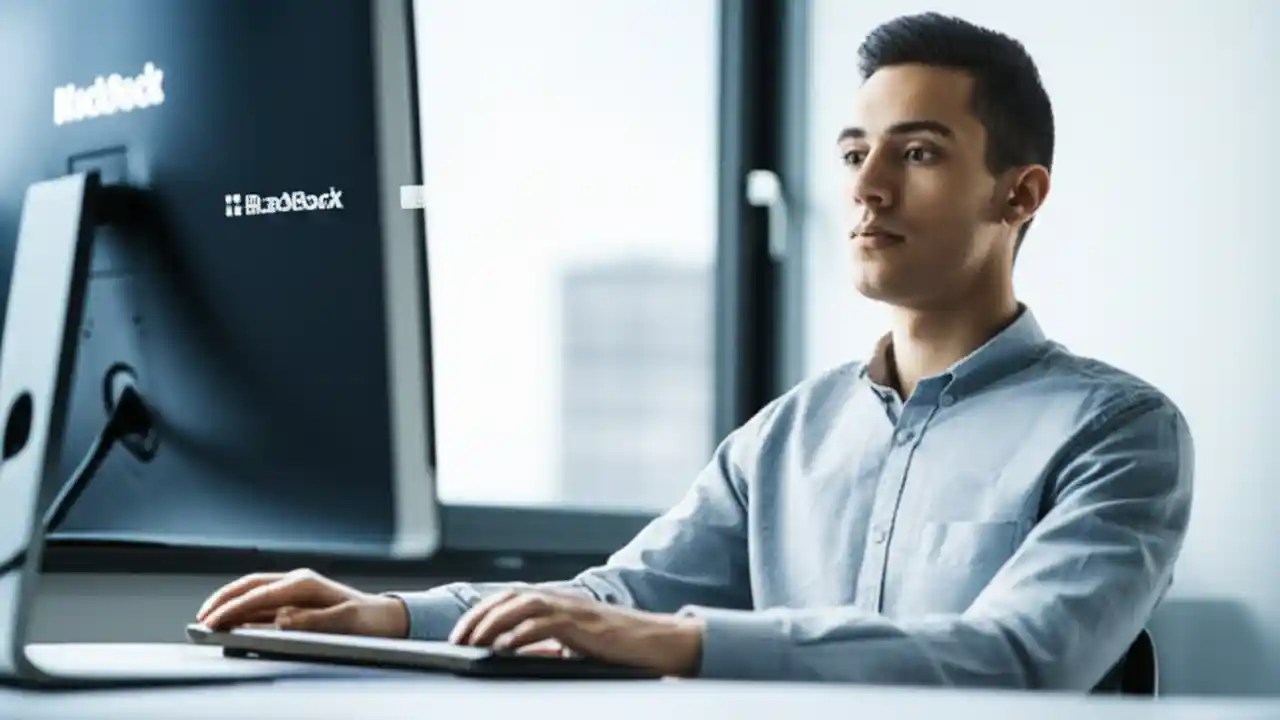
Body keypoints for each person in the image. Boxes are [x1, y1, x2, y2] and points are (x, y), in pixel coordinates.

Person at [195, 12, 1193, 690]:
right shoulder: (781, 439)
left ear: (1017, 195)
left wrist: (679, 642)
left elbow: (1019, 657)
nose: (865, 189)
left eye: (917, 153)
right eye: (854, 153)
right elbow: (611, 599)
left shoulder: (1119, 432)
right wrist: (389, 618)